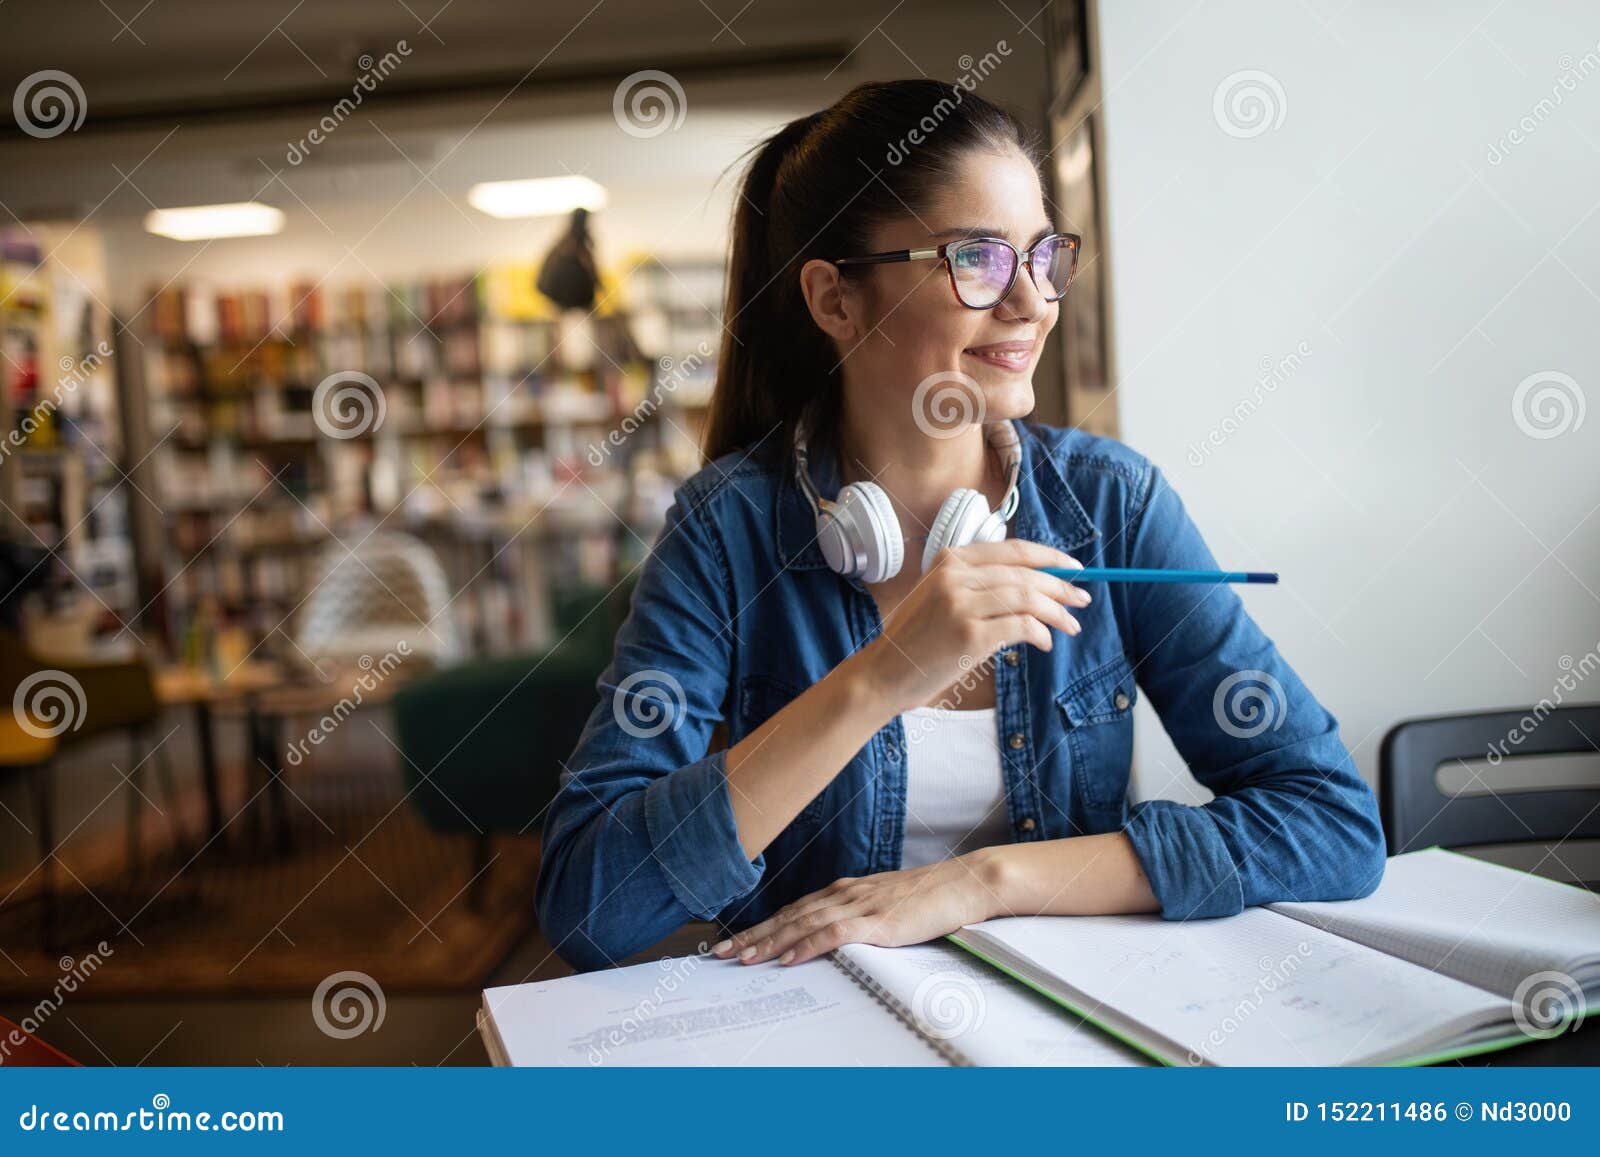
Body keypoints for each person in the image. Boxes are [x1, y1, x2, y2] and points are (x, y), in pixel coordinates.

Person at [536, 79, 1385, 972]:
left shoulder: (1111, 504)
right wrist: (883, 676)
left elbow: (1329, 821)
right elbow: (591, 908)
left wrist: (982, 881)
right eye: (977, 259)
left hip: (1065, 1018)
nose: (1033, 302)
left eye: (1044, 256)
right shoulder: (727, 529)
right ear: (835, 300)